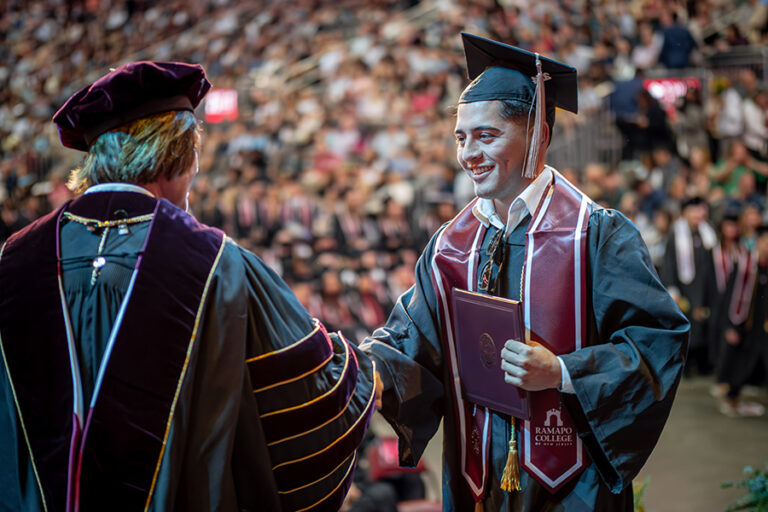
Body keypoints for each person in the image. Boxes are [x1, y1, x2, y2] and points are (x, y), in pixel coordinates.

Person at [0, 62, 377, 512]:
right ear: (177, 156)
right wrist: (376, 364)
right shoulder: (215, 262)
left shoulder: (14, 260)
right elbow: (310, 393)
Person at [361, 33, 689, 511]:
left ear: (539, 134)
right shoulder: (450, 246)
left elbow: (657, 341)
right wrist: (358, 370)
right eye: (461, 136)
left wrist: (562, 371)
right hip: (476, 478)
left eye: (486, 135)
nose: (467, 154)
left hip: (571, 485)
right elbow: (411, 342)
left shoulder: (594, 234)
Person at [660, 197, 717, 375]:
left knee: (703, 325)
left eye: (700, 210)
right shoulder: (675, 234)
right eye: (693, 211)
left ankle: (702, 363)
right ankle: (685, 365)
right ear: (684, 213)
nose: (698, 214)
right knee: (687, 325)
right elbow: (668, 265)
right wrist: (672, 289)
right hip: (685, 290)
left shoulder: (707, 234)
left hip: (704, 288)